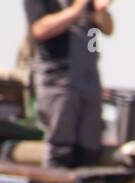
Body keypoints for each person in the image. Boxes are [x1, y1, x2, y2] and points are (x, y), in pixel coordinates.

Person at [23, 0, 113, 169]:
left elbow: (105, 30)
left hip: (88, 79)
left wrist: (101, 11)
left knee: (89, 149)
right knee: (61, 148)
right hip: (60, 80)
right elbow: (39, 30)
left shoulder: (89, 5)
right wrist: (76, 10)